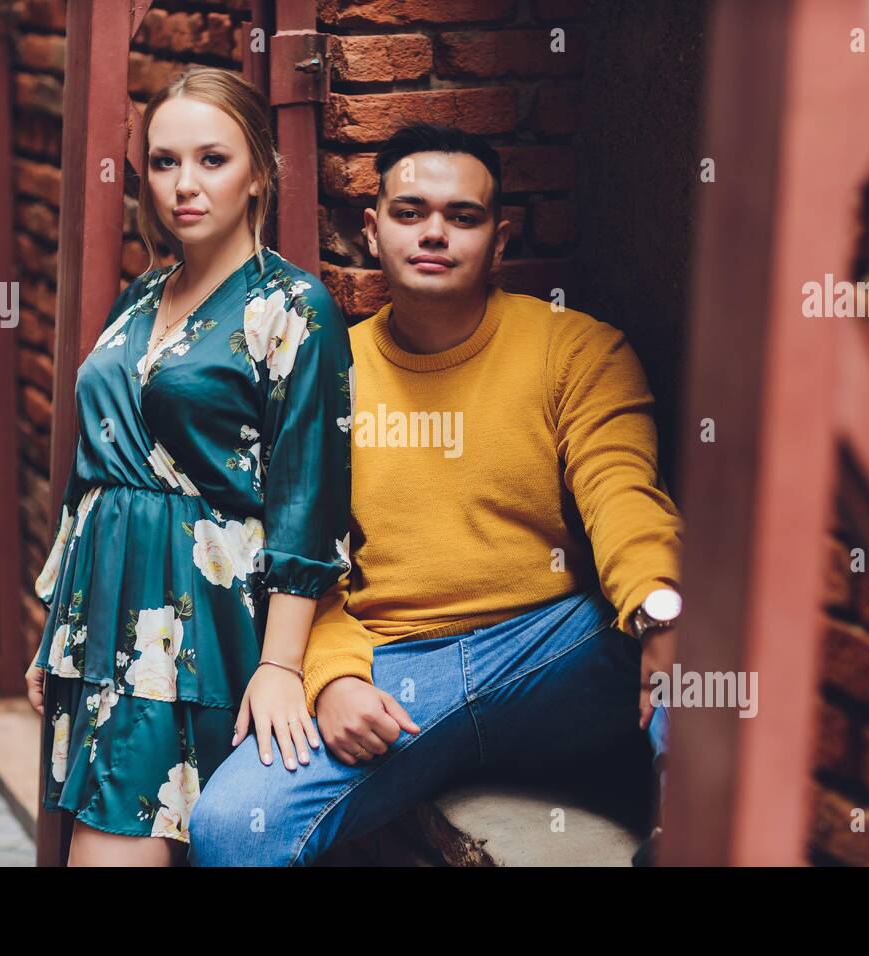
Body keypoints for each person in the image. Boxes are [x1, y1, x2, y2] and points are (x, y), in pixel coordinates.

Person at [187, 123, 683, 867]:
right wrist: (332, 679)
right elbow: (297, 558)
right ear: (372, 229)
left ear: (500, 239)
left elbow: (625, 497)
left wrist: (660, 608)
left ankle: (692, 836)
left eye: (463, 217)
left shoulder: (577, 349)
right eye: (410, 211)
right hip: (396, 673)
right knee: (228, 828)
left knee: (699, 628)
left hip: (555, 650)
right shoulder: (328, 374)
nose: (435, 234)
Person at [24, 66, 353, 866]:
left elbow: (307, 498)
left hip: (197, 619)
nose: (185, 184)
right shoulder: (140, 294)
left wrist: (281, 664)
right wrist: (54, 631)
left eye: (213, 160)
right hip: (100, 618)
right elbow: (90, 472)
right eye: (165, 162)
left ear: (259, 173)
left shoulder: (292, 308)